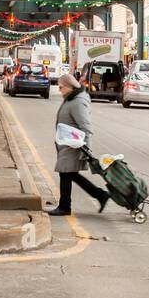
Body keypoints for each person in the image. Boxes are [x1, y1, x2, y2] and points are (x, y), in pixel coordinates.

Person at [49, 72, 109, 217]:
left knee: (65, 173)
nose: (59, 90)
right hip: (68, 143)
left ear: (70, 87)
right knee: (70, 174)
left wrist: (85, 148)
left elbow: (86, 126)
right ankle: (100, 195)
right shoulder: (71, 98)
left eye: (61, 87)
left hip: (74, 145)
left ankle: (65, 207)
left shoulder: (77, 101)